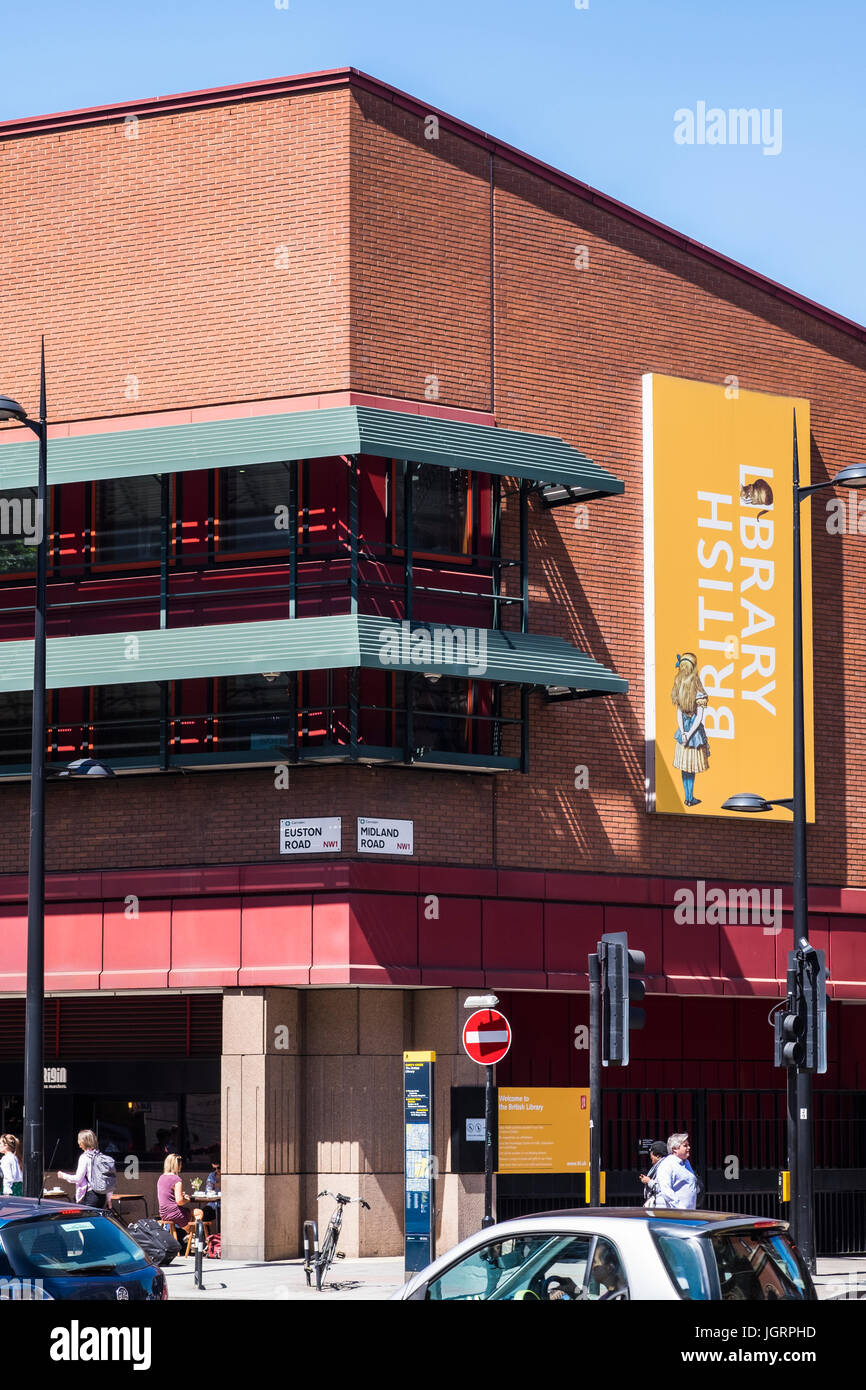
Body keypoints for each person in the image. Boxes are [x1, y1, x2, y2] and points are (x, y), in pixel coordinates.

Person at [671, 652, 710, 807]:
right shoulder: (698, 689)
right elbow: (699, 717)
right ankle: (690, 798)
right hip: (694, 733)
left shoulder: (679, 687)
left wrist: (683, 732)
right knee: (690, 768)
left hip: (685, 731)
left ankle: (688, 797)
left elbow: (679, 712)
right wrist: (689, 733)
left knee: (685, 768)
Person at [57, 1129, 110, 1209]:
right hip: (102, 1196)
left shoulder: (84, 1157)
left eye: (79, 1140)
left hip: (90, 1195)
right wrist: (109, 1199)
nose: (78, 1142)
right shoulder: (101, 1156)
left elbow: (78, 1178)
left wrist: (63, 1175)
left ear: (83, 1141)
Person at [157, 1154, 201, 1237]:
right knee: (198, 1212)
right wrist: (187, 1199)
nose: (181, 1166)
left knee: (189, 1216)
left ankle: (189, 1236)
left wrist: (179, 1194)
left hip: (163, 1213)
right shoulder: (176, 1179)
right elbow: (179, 1201)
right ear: (176, 1165)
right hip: (174, 1213)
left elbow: (167, 1195)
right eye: (180, 1164)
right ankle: (192, 1236)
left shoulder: (161, 1178)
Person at [654, 1133, 699, 1210]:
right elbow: (666, 1191)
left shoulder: (686, 1163)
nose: (689, 1147)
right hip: (674, 1215)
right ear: (674, 1149)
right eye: (685, 1145)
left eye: (688, 1145)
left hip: (688, 1214)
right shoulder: (667, 1164)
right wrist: (680, 1208)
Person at [639, 1140, 669, 1208]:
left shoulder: (663, 1167)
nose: (650, 1158)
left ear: (658, 1156)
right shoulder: (663, 1165)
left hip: (663, 1207)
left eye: (652, 1155)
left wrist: (649, 1181)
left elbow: (662, 1188)